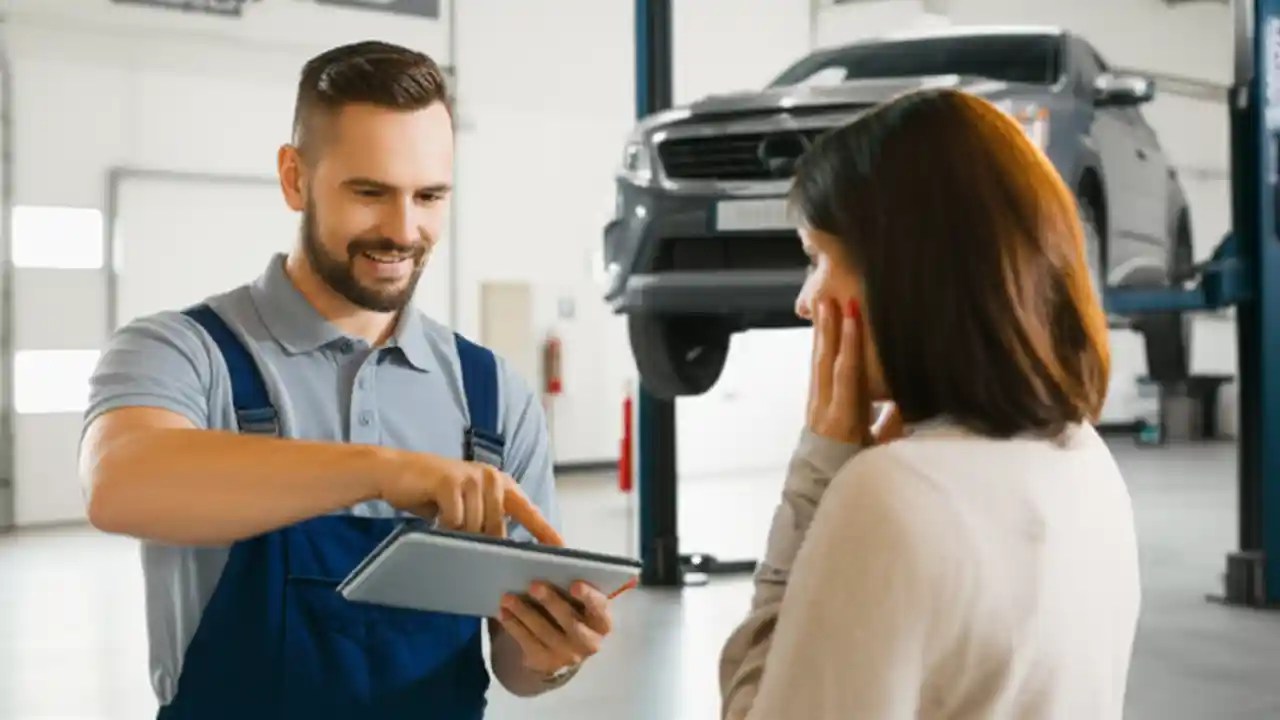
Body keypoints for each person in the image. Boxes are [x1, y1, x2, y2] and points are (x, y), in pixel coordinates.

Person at [77, 41, 615, 719]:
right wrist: (383, 471)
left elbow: (516, 663)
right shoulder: (182, 352)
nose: (403, 229)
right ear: (295, 178)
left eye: (429, 196)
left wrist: (552, 653)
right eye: (370, 192)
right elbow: (119, 482)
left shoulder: (492, 395)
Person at [718, 88, 1141, 719]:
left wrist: (818, 470)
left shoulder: (889, 493)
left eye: (817, 258)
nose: (805, 302)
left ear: (904, 271)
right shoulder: (1087, 459)